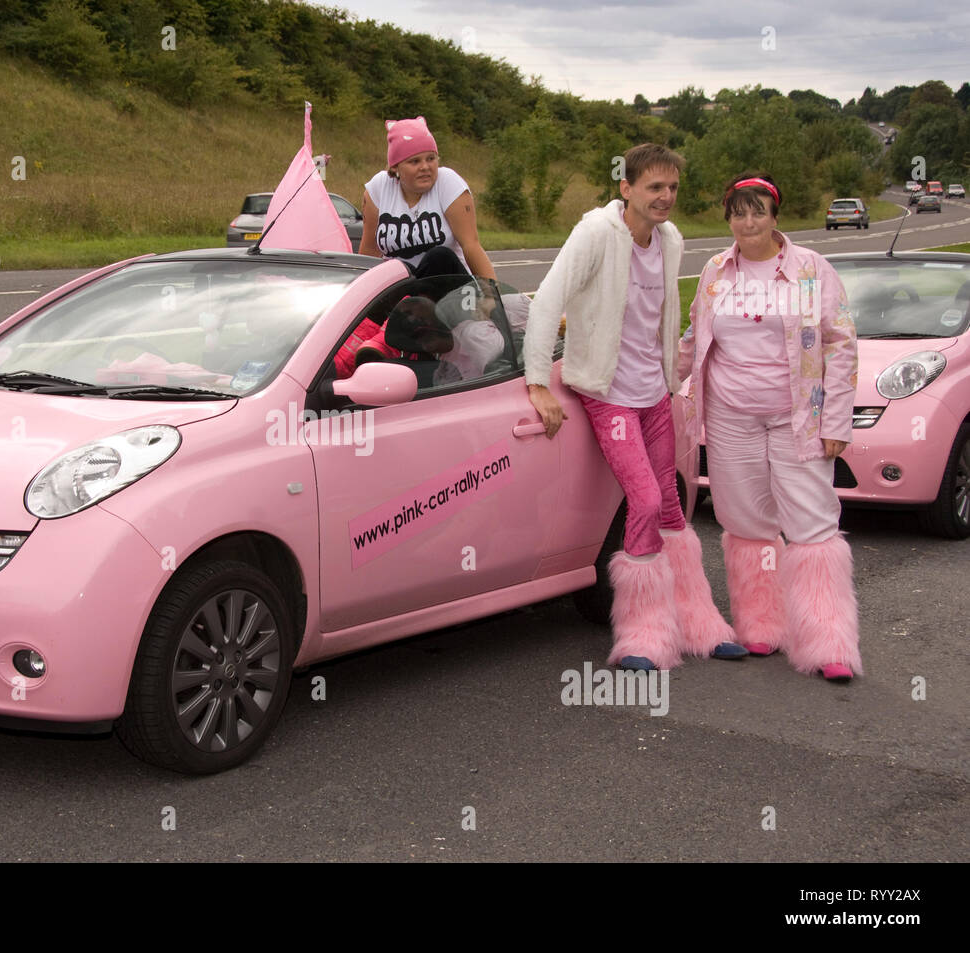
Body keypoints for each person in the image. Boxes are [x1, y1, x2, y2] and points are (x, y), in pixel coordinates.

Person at [523, 143, 743, 671]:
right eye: (654, 188)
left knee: (670, 505)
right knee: (643, 502)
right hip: (609, 396)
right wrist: (537, 382)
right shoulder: (596, 234)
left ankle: (696, 622)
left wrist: (675, 380)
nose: (665, 197)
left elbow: (663, 317)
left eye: (672, 188)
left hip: (655, 395)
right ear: (626, 188)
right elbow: (547, 299)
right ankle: (643, 635)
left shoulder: (669, 239)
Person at [680, 174, 862, 681]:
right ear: (729, 218)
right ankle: (762, 622)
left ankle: (829, 642)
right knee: (745, 522)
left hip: (798, 417)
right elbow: (695, 338)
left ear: (775, 215)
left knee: (813, 525)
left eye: (758, 211)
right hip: (731, 417)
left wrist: (838, 420)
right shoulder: (716, 269)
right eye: (739, 212)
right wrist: (657, 384)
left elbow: (840, 343)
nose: (748, 221)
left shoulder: (811, 269)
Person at [359, 116, 496, 280]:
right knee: (397, 269)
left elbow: (471, 245)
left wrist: (491, 297)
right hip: (404, 289)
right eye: (415, 161)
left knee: (438, 257)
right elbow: (369, 253)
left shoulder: (448, 182)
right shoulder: (378, 188)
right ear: (396, 166)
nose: (425, 167)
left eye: (431, 159)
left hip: (449, 287)